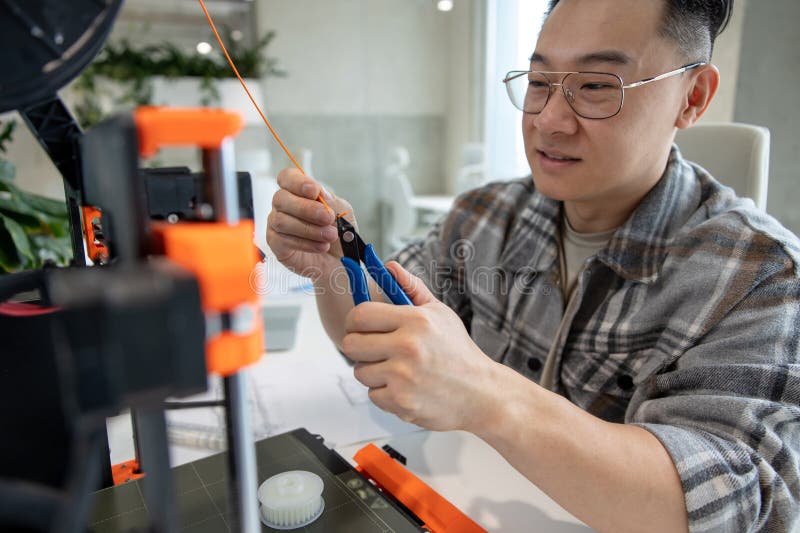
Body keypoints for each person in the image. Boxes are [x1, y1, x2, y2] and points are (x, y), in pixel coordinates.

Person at [266, 0, 800, 531]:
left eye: (595, 86)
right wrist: (332, 268)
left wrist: (486, 393)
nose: (548, 120)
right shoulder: (484, 216)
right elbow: (383, 329)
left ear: (693, 96)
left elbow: (731, 501)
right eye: (539, 82)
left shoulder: (759, 276)